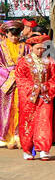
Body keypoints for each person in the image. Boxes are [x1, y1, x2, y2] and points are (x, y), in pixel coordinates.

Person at [15, 35, 55, 160]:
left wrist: (45, 87)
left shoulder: (49, 61)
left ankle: (44, 149)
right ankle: (27, 149)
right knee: (27, 122)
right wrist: (34, 88)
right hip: (29, 98)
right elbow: (20, 79)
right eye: (38, 48)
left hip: (45, 96)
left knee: (45, 122)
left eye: (43, 49)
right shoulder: (23, 62)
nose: (41, 51)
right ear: (31, 48)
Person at [0, 19, 25, 148]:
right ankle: (6, 137)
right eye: (12, 35)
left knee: (20, 108)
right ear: (6, 34)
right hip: (6, 83)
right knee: (7, 109)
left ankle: (18, 136)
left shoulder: (24, 47)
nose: (14, 38)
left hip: (20, 82)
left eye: (17, 35)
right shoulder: (0, 47)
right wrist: (9, 73)